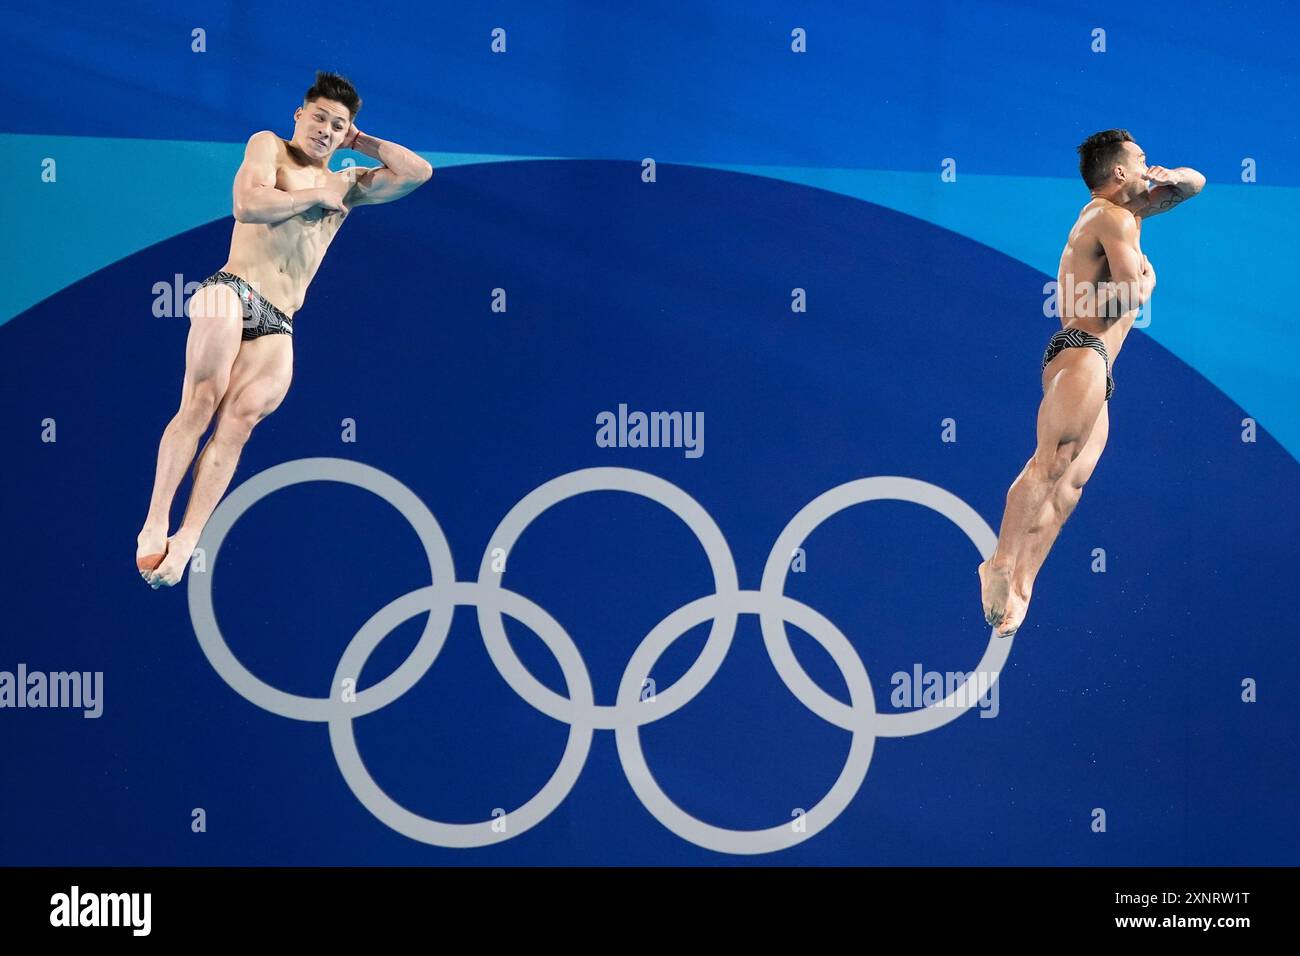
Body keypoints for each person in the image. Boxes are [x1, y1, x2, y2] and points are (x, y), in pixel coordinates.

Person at [136, 70, 433, 588]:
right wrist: (309, 198)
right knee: (203, 400)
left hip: (280, 321)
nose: (325, 129)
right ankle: (157, 517)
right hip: (233, 288)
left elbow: (418, 173)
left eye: (337, 125)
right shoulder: (269, 147)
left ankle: (187, 540)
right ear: (299, 115)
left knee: (239, 424)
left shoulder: (348, 184)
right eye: (319, 116)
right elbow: (247, 205)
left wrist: (361, 142)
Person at [978, 129, 1204, 636]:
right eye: (1142, 160)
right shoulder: (1112, 216)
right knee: (1051, 463)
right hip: (1081, 353)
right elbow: (1127, 292)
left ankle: (1023, 583)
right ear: (1119, 172)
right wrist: (1146, 284)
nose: (1151, 166)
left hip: (1099, 363)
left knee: (1069, 487)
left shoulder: (1126, 213)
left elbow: (1195, 184)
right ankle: (999, 564)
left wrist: (1169, 177)